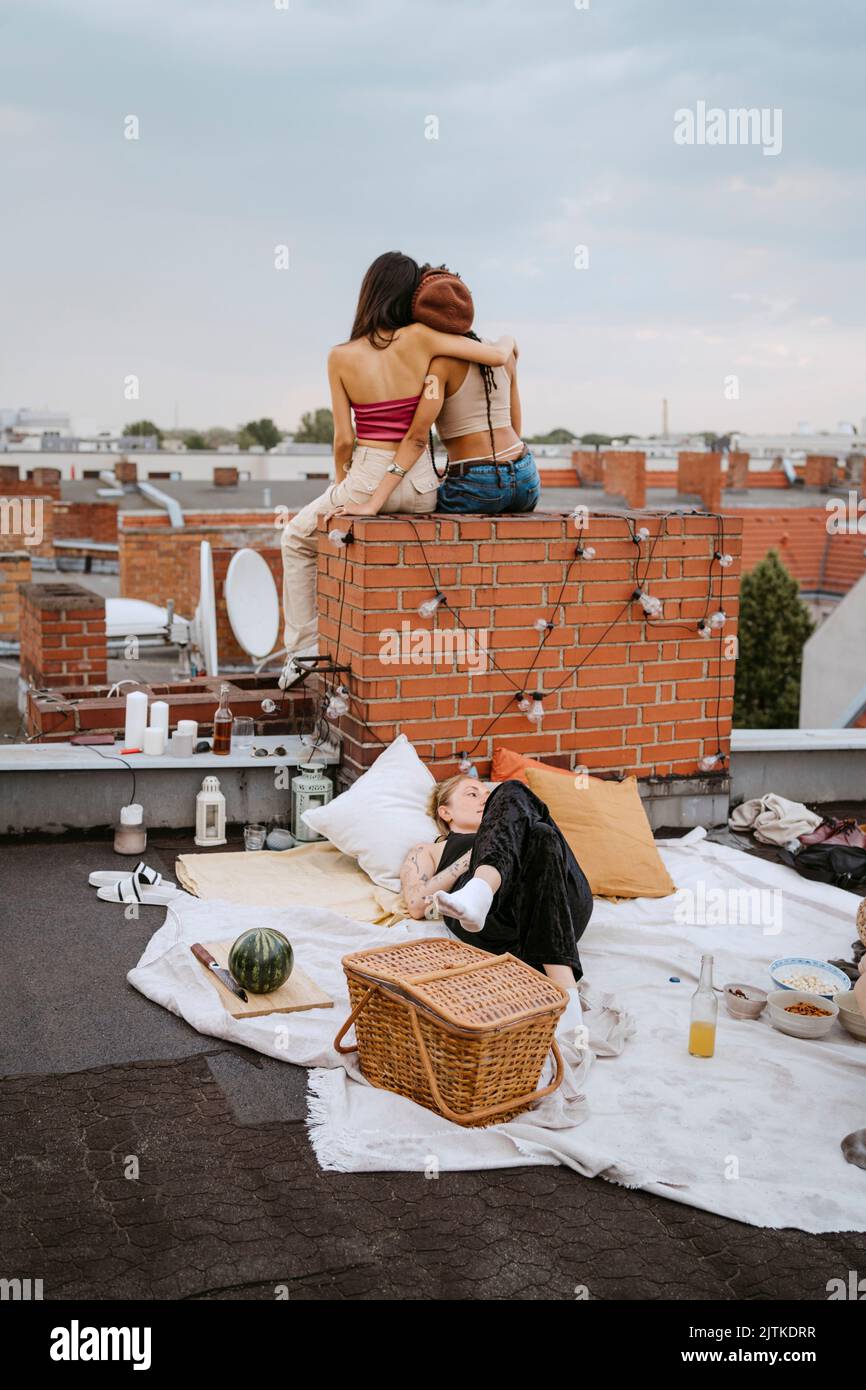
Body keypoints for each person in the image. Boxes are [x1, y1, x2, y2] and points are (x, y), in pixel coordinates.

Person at [279, 252, 514, 673]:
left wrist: (340, 489)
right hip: (422, 486)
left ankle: (302, 652)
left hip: (368, 479)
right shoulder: (421, 338)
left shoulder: (340, 356)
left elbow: (343, 439)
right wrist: (510, 341)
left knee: (295, 540)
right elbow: (495, 357)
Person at [329, 268, 538, 521]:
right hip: (525, 475)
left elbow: (417, 439)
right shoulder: (503, 352)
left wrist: (374, 502)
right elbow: (516, 425)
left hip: (476, 484)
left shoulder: (440, 364)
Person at [399, 775, 593, 1038]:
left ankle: (480, 890)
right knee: (541, 832)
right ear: (445, 812)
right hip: (496, 921)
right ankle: (567, 996)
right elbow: (416, 904)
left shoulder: (520, 822)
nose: (485, 798)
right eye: (471, 794)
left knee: (524, 805)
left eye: (487, 793)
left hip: (566, 909)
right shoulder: (427, 850)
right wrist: (474, 856)